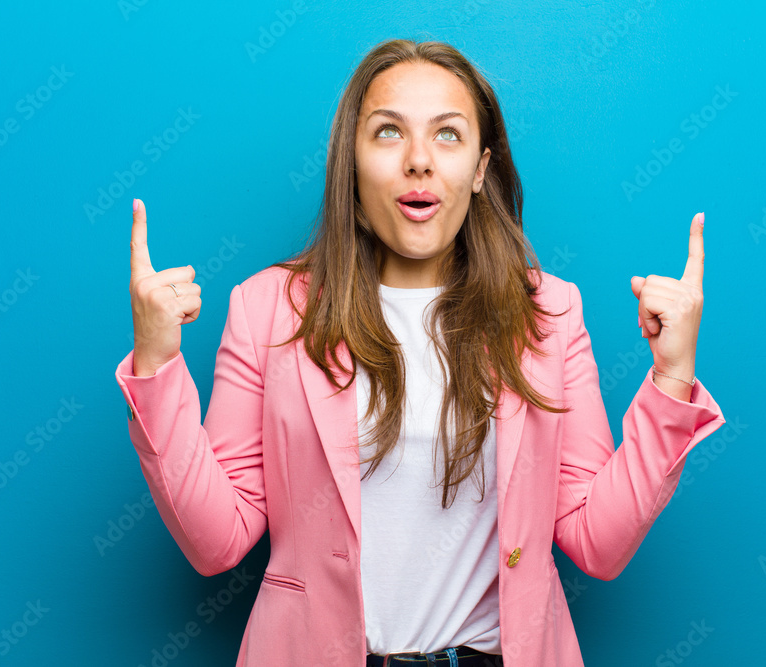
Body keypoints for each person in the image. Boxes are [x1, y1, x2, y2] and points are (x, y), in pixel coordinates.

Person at [115, 38, 726, 667]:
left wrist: (672, 377)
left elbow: (598, 542)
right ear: (351, 162)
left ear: (481, 170)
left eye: (447, 135)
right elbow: (217, 541)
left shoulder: (550, 313)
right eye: (388, 132)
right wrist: (156, 364)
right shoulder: (268, 309)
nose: (418, 161)